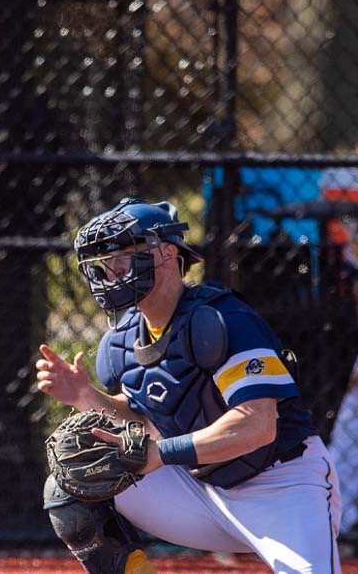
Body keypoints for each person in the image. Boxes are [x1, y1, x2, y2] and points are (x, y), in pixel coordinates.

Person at [35, 197, 341, 573]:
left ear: (165, 253)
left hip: (280, 483)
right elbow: (146, 418)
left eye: (122, 259)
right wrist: (84, 395)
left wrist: (160, 454)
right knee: (71, 482)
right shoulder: (122, 341)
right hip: (199, 488)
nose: (111, 273)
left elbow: (257, 425)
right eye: (103, 265)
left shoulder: (221, 318)